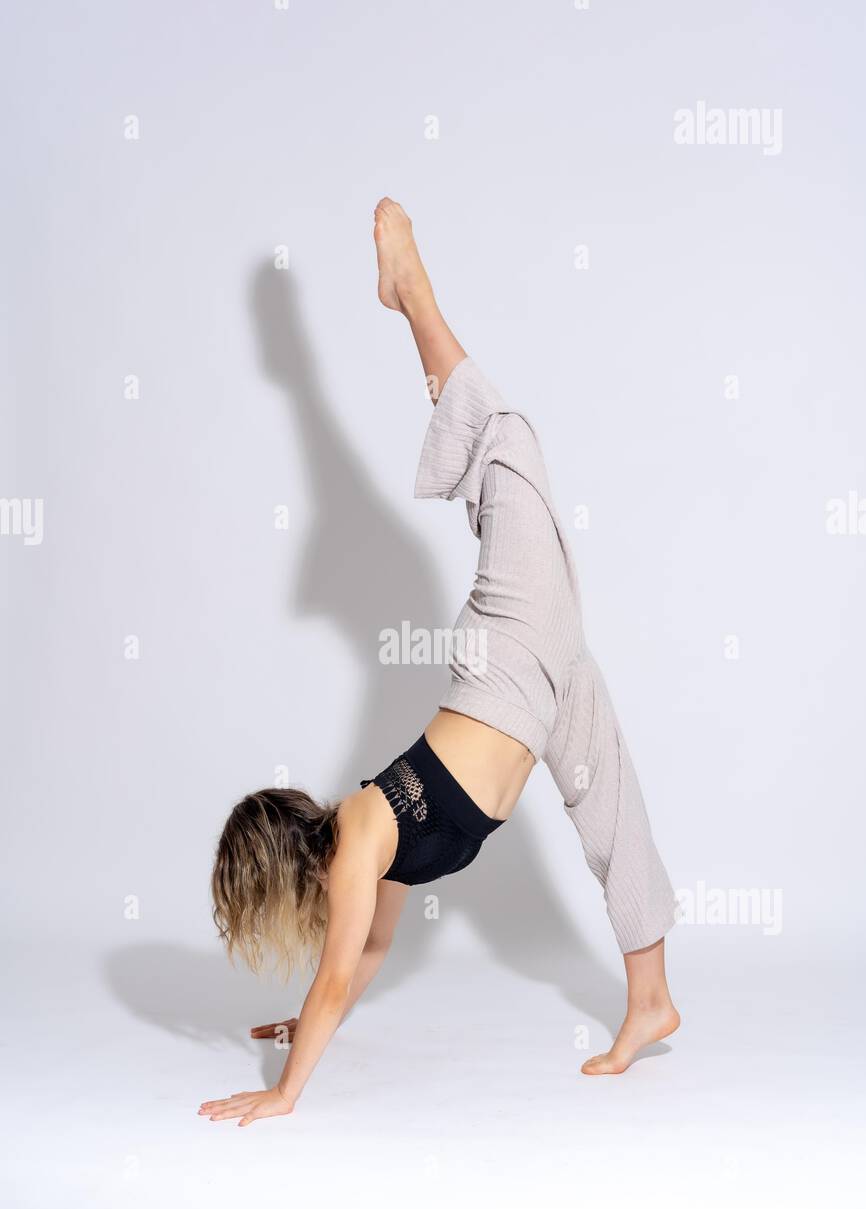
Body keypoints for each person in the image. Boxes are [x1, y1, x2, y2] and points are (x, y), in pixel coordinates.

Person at [200, 198, 679, 1127]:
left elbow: (340, 972)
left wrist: (285, 1098)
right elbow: (358, 964)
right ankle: (652, 999)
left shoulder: (358, 841)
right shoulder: (367, 868)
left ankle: (410, 295)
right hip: (534, 700)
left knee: (507, 449)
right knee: (612, 812)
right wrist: (303, 1024)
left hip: (504, 662)